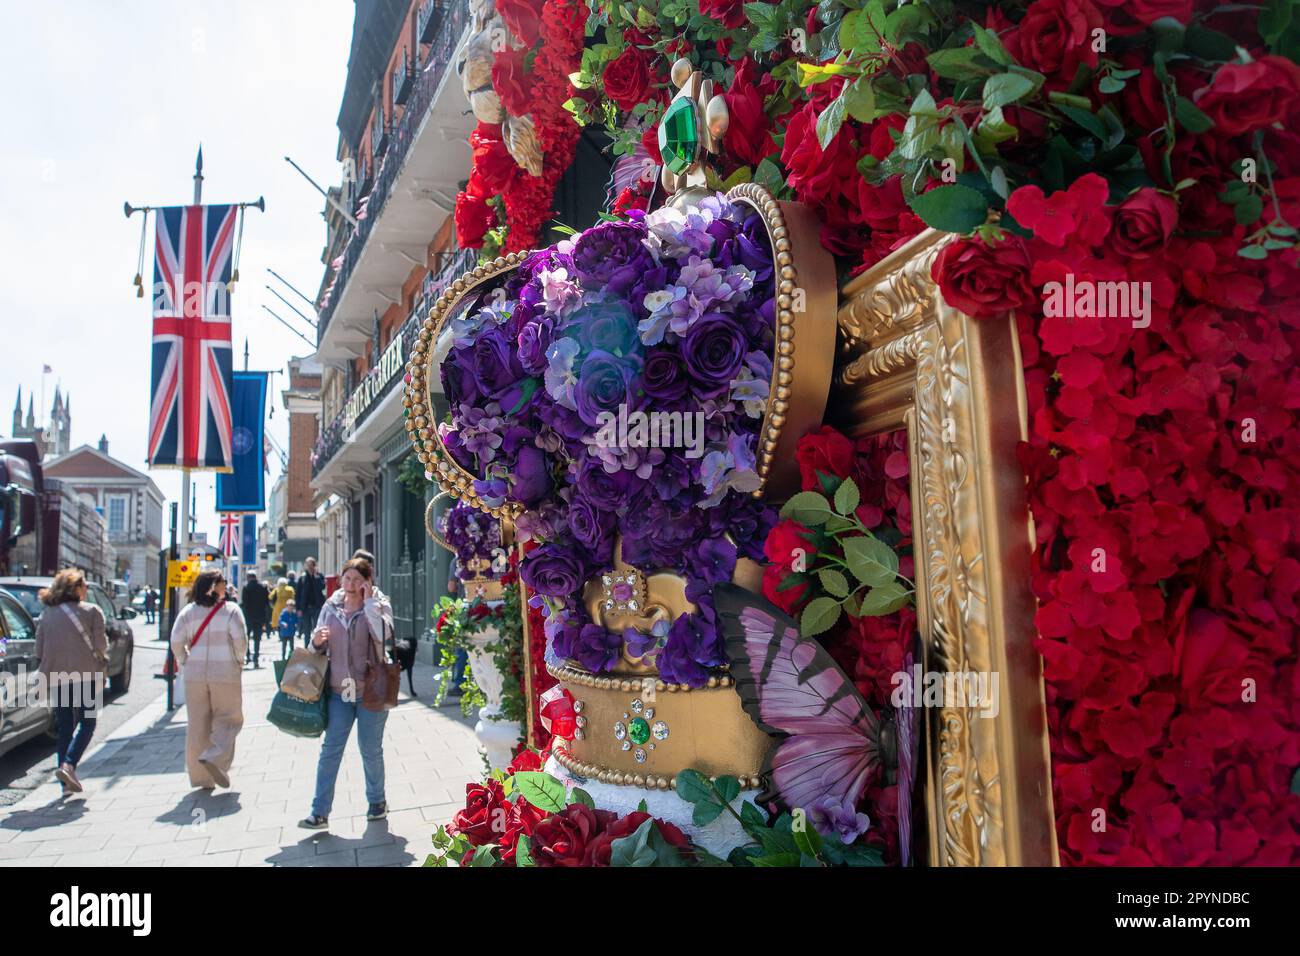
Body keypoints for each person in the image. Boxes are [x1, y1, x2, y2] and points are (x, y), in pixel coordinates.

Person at [299, 557, 394, 830]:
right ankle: (319, 812)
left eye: (357, 579)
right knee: (330, 751)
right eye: (347, 578)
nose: (351, 584)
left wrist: (369, 604)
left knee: (370, 750)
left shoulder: (378, 604)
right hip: (338, 692)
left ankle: (377, 802)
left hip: (371, 692)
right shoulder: (331, 606)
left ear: (367, 581)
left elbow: (383, 635)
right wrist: (317, 641)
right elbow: (315, 644)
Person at [169, 570, 247, 790]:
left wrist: (185, 660)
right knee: (229, 718)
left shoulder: (188, 612)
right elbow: (240, 640)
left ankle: (201, 778)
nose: (226, 585)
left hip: (194, 674)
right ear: (215, 586)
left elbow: (176, 641)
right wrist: (239, 662)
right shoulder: (231, 611)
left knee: (197, 724)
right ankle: (215, 757)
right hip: (224, 672)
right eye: (223, 582)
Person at [34, 568, 108, 795]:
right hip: (86, 675)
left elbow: (39, 648)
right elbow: (101, 645)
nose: (86, 589)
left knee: (66, 726)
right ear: (75, 588)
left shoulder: (48, 614)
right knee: (88, 722)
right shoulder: (92, 611)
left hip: (58, 676)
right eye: (84, 585)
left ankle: (65, 784)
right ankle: (69, 764)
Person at [240, 572, 271, 668]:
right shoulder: (263, 587)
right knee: (257, 638)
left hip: (249, 617)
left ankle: (248, 656)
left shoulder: (246, 588)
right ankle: (256, 659)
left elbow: (245, 603)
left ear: (248, 578)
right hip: (259, 616)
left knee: (247, 638)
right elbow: (267, 602)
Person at [295, 557, 326, 647]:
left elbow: (322, 588)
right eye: (307, 565)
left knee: (318, 629)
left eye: (311, 565)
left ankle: (318, 648)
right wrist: (299, 608)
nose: (309, 567)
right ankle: (307, 649)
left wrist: (315, 577)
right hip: (305, 608)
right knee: (307, 630)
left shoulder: (319, 576)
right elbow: (298, 594)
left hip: (317, 606)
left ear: (314, 565)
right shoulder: (303, 578)